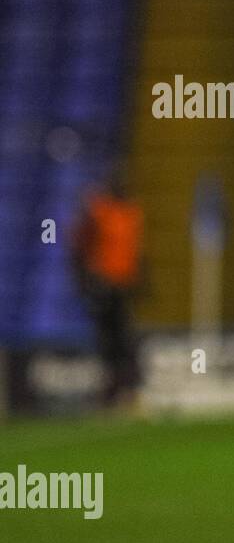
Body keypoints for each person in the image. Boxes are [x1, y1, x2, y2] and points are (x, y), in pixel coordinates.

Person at [72, 169, 145, 409]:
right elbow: (79, 245)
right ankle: (110, 395)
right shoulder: (98, 211)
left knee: (126, 341)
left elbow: (135, 252)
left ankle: (127, 393)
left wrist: (142, 280)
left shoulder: (132, 213)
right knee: (109, 342)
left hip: (123, 286)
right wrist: (85, 280)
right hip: (103, 286)